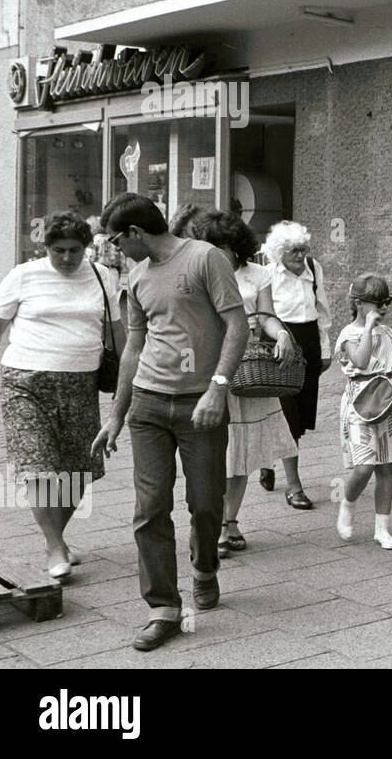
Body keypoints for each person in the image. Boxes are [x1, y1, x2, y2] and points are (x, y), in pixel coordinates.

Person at [90, 195, 249, 652]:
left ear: (136, 232)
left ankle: (204, 567)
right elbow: (133, 351)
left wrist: (218, 387)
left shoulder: (205, 258)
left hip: (202, 402)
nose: (117, 250)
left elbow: (235, 325)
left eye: (117, 240)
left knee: (205, 502)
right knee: (150, 507)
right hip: (149, 406)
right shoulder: (136, 280)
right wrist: (116, 416)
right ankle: (163, 608)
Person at [0, 212, 125, 580]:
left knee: (79, 468)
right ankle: (53, 545)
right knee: (38, 467)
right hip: (26, 380)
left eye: (75, 250)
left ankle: (59, 539)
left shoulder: (102, 276)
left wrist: (128, 385)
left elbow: (118, 334)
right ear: (45, 247)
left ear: (86, 248)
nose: (67, 258)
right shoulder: (23, 275)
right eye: (58, 250)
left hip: (82, 382)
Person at [168, 207, 298, 557]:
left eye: (222, 244)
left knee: (242, 451)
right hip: (210, 369)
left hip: (250, 372)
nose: (215, 251)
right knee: (215, 453)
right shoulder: (195, 271)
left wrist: (282, 333)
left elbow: (266, 316)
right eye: (209, 243)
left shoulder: (257, 274)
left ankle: (229, 522)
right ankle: (210, 521)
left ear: (235, 244)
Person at [261, 221, 331, 509]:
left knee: (300, 417)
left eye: (303, 249)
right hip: (281, 342)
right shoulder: (268, 274)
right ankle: (294, 485)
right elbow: (264, 315)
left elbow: (322, 310)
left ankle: (269, 459)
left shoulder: (314, 268)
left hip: (309, 341)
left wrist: (325, 350)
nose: (301, 256)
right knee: (287, 414)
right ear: (279, 252)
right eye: (293, 251)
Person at [334, 274, 392, 550]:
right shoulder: (348, 335)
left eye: (386, 302)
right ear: (359, 304)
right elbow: (362, 361)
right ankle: (347, 503)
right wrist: (367, 328)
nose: (383, 308)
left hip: (385, 402)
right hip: (359, 403)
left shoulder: (388, 334)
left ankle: (382, 528)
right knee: (364, 467)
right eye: (377, 303)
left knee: (385, 468)